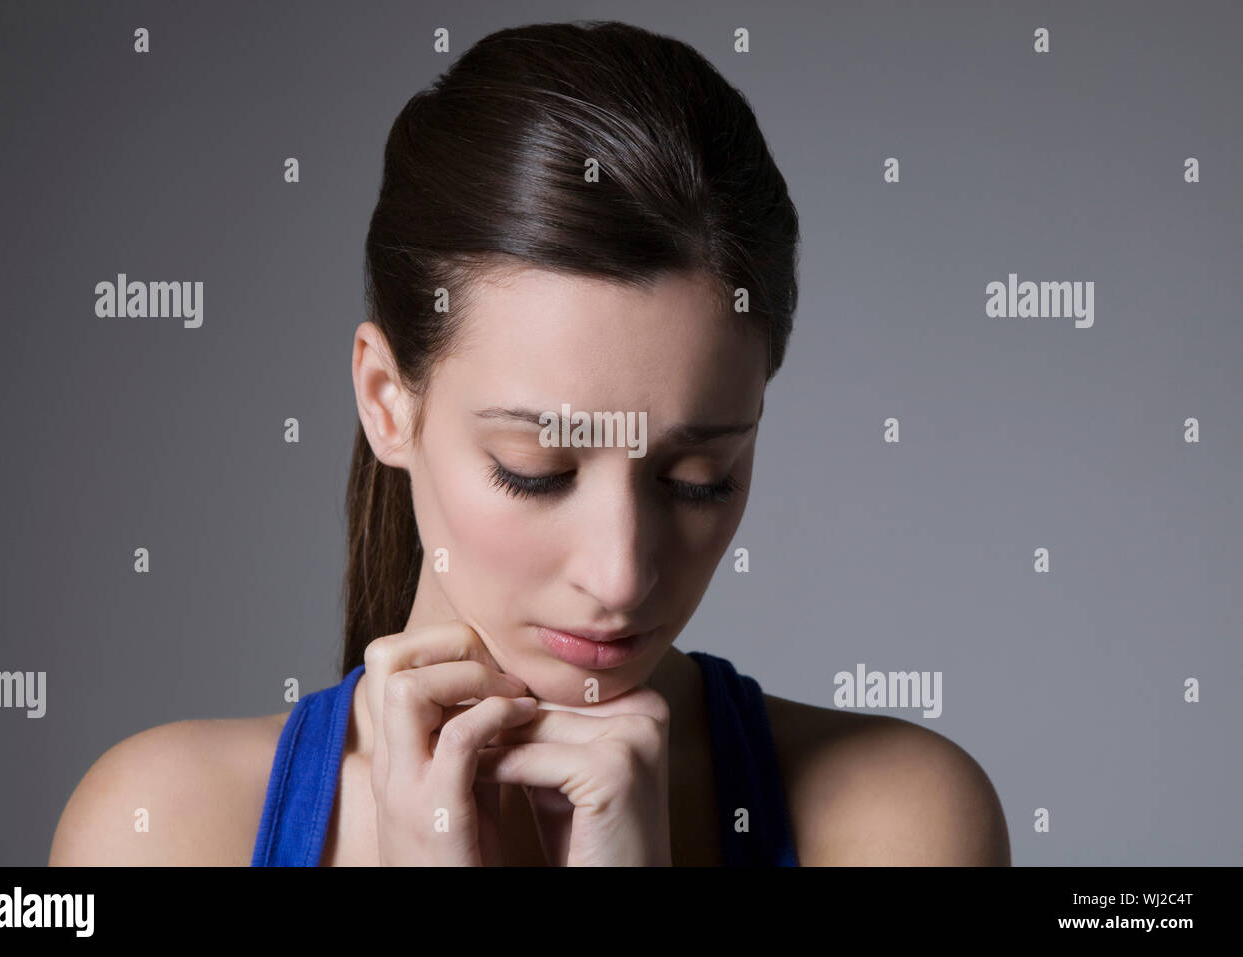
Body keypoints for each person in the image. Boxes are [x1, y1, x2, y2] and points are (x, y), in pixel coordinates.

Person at [50, 19, 1010, 866]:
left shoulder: (898, 819)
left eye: (697, 478)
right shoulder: (164, 827)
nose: (621, 574)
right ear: (388, 401)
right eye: (537, 470)